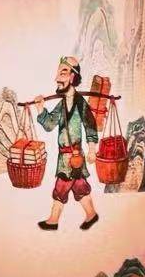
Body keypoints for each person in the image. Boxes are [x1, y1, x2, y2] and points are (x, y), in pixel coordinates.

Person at [37, 56, 101, 231]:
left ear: (73, 77)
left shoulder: (80, 103)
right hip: (64, 157)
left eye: (63, 73)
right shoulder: (61, 104)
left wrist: (92, 149)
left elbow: (90, 126)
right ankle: (91, 214)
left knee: (62, 186)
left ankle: (53, 220)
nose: (57, 78)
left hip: (75, 157)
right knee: (79, 186)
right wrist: (41, 108)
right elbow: (50, 124)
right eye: (58, 73)